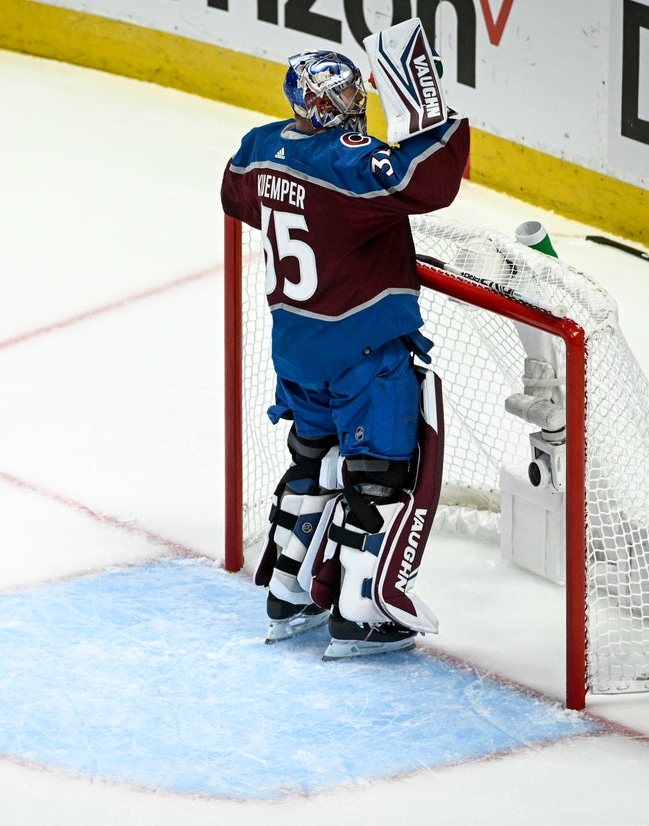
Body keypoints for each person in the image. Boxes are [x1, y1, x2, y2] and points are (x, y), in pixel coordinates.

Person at [220, 49, 468, 659]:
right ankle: (360, 614)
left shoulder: (257, 146)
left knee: (311, 460)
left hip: (296, 347)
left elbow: (235, 196)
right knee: (379, 477)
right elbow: (429, 181)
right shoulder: (348, 165)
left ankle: (288, 594)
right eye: (341, 96)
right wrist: (434, 112)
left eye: (352, 93)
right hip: (362, 351)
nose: (351, 105)